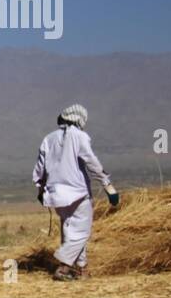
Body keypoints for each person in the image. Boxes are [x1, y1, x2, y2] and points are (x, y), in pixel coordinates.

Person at [32, 104, 120, 281]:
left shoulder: (48, 139)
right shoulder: (79, 136)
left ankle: (82, 270)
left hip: (55, 194)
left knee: (70, 231)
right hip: (77, 192)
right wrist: (108, 185)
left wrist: (41, 191)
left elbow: (40, 169)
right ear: (80, 119)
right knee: (81, 233)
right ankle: (63, 268)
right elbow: (91, 161)